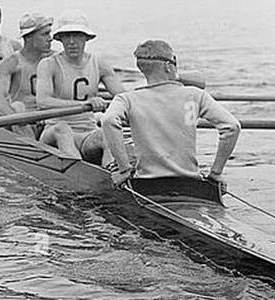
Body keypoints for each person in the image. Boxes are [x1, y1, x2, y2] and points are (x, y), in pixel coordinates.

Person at [101, 39, 241, 192]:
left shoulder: (127, 99)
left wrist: (124, 169)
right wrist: (215, 173)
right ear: (168, 66)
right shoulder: (196, 95)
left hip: (147, 186)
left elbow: (108, 121)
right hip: (190, 184)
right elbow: (232, 127)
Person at [34, 12, 127, 160]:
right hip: (54, 131)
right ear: (61, 39)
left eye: (77, 35)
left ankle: (114, 175)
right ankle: (77, 174)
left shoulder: (99, 63)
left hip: (86, 131)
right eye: (67, 36)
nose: (72, 41)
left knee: (107, 135)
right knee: (62, 129)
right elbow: (43, 101)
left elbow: (123, 97)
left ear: (86, 38)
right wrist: (84, 104)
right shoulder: (48, 65)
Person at [0, 13, 54, 129]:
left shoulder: (54, 59)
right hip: (24, 119)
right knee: (17, 106)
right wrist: (17, 120)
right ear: (29, 37)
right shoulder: (11, 62)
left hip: (49, 118)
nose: (50, 38)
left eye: (49, 33)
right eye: (45, 34)